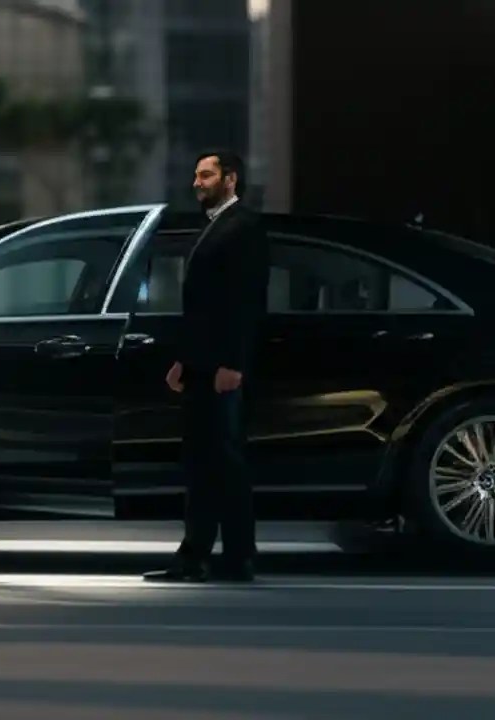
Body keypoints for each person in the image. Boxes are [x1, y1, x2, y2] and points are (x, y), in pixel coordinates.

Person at [143, 149, 270, 583]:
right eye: (196, 175)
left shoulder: (244, 227)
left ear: (230, 179)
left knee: (226, 462)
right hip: (202, 366)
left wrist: (233, 362)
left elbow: (245, 302)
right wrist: (185, 359)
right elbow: (205, 307)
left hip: (222, 369)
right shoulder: (215, 228)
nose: (197, 182)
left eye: (206, 175)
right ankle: (194, 554)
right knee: (201, 464)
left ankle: (237, 556)